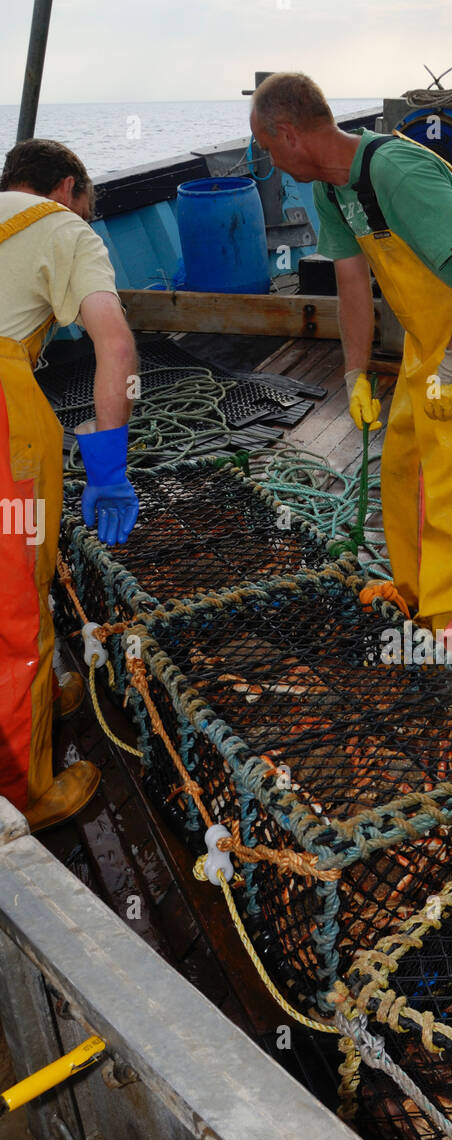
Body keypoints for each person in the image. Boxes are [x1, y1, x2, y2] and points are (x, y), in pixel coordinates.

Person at [250, 74, 452, 644]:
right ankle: (415, 594)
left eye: (268, 149)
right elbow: (352, 285)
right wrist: (355, 372)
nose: (268, 162)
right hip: (425, 340)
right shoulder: (329, 189)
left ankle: (450, 624)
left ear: (289, 134)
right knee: (401, 467)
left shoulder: (397, 171)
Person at [0, 138, 139, 832]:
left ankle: (42, 693)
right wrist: (109, 473)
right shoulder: (64, 228)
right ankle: (26, 791)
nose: (89, 215)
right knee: (17, 597)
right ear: (66, 189)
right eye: (88, 202)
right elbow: (113, 343)